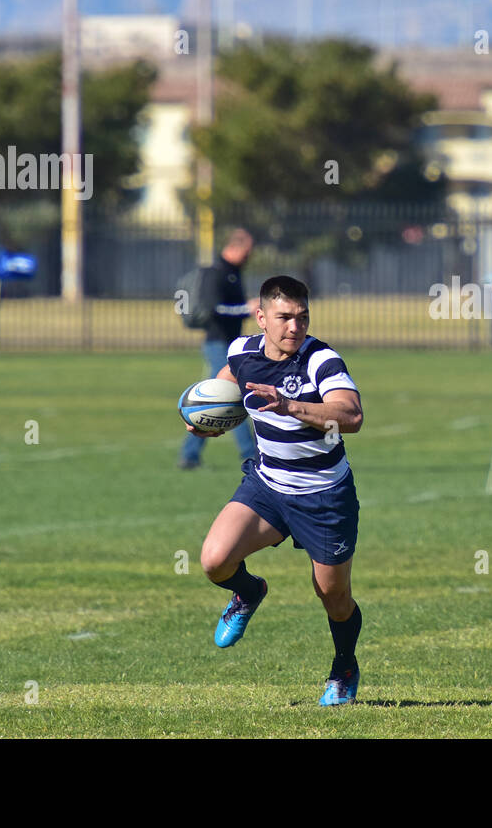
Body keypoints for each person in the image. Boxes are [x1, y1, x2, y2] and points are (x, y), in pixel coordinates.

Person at [191, 276, 367, 706]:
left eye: (302, 317)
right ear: (262, 318)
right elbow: (228, 381)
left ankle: (344, 666)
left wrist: (290, 406)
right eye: (285, 317)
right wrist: (208, 418)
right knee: (214, 561)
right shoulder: (242, 352)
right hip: (267, 486)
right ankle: (250, 592)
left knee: (334, 597)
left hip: (324, 496)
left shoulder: (321, 361)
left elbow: (351, 415)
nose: (294, 327)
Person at [178, 228, 259, 469]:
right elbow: (214, 309)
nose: (250, 256)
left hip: (231, 343)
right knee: (232, 397)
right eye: (247, 251)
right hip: (217, 343)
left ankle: (190, 455)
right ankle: (252, 453)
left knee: (213, 400)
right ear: (235, 247)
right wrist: (246, 308)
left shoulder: (234, 272)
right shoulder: (217, 272)